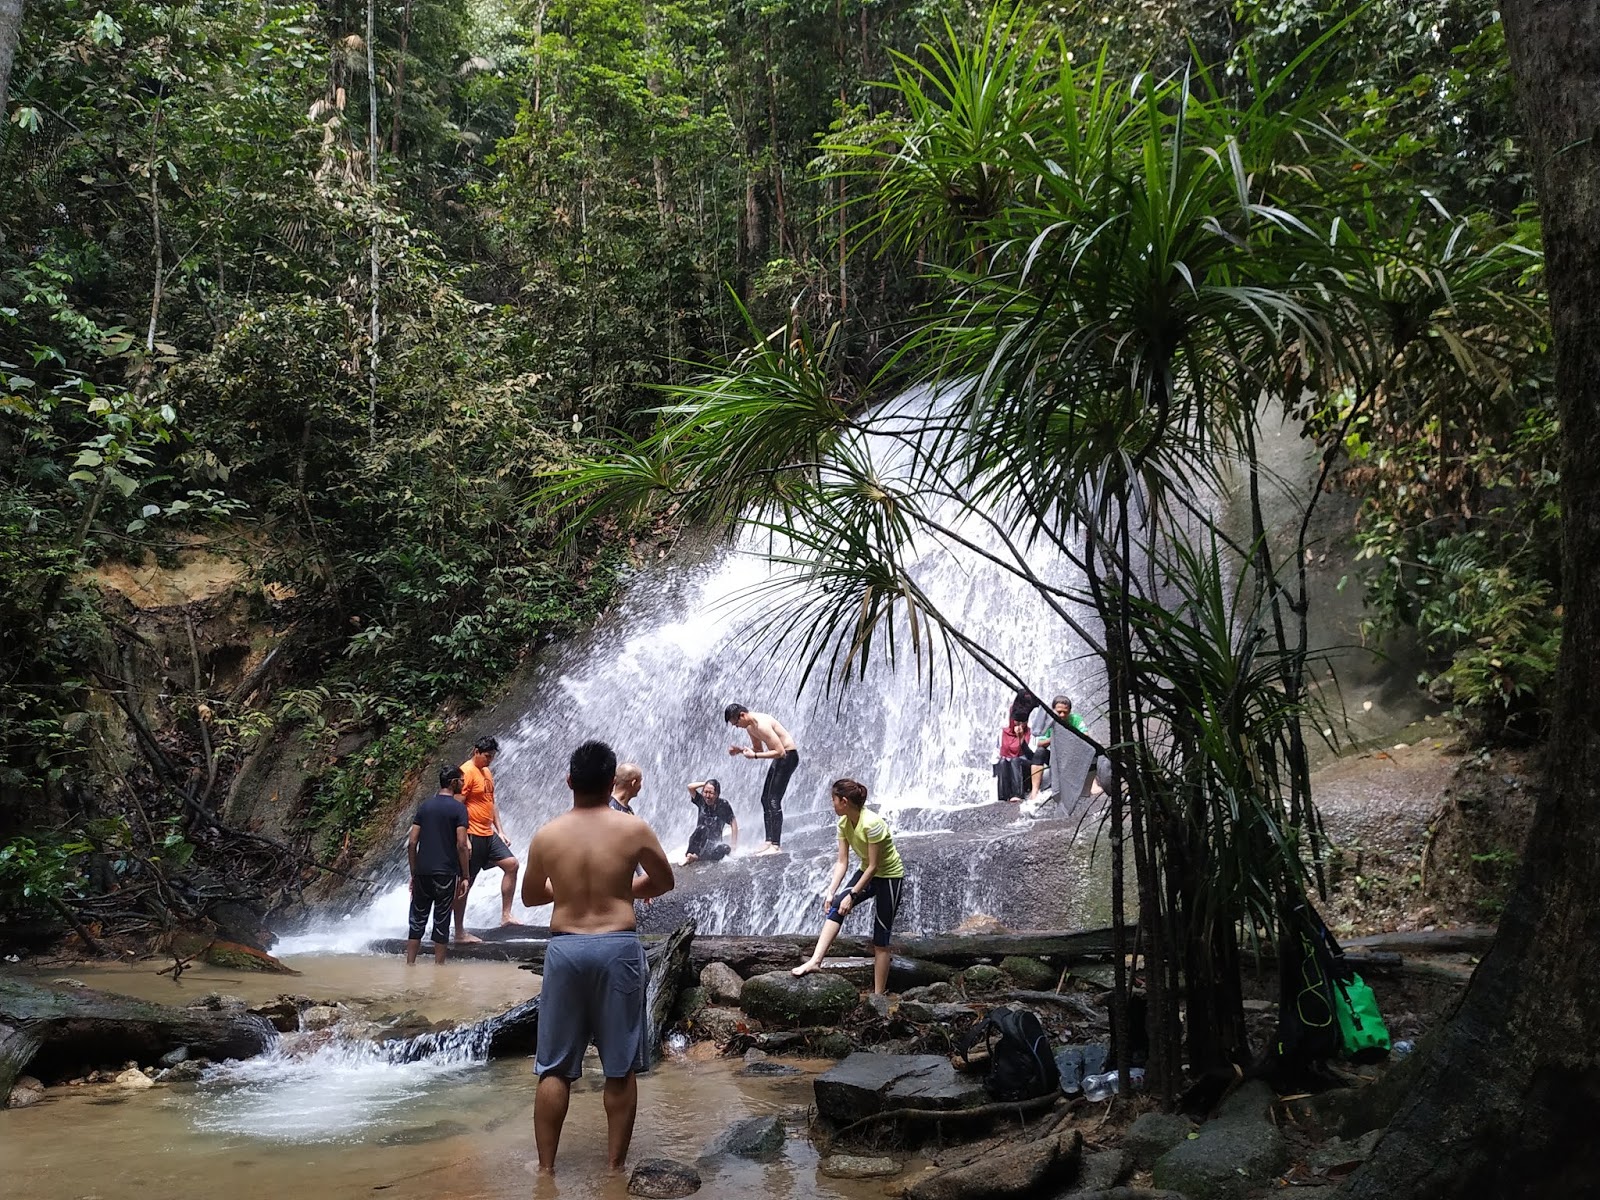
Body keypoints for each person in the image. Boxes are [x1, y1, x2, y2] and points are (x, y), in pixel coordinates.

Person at [521, 740, 675, 1176]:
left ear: (569, 781)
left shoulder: (547, 834)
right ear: (612, 783)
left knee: (553, 1067)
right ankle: (614, 1168)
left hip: (565, 949)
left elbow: (531, 896)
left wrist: (568, 891)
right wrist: (622, 891)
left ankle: (546, 1171)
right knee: (619, 1065)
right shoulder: (634, 829)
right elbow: (664, 881)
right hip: (617, 947)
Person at [790, 778, 906, 995]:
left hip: (889, 876)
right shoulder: (843, 823)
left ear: (843, 801)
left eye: (833, 800)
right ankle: (815, 961)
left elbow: (874, 866)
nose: (831, 804)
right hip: (867, 872)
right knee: (835, 905)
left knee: (880, 939)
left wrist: (852, 895)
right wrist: (831, 891)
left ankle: (878, 995)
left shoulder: (872, 824)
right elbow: (842, 861)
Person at [454, 735, 522, 944]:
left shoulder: (486, 772)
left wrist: (500, 830)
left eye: (492, 757)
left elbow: (491, 803)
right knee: (466, 882)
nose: (490, 760)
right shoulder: (466, 772)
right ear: (476, 751)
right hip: (472, 834)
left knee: (512, 864)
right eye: (487, 756)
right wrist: (463, 838)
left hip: (488, 833)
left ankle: (506, 916)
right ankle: (458, 932)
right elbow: (457, 805)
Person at [406, 765, 471, 965]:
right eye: (461, 780)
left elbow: (412, 842)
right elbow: (462, 844)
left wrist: (414, 872)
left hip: (423, 872)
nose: (463, 784)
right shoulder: (459, 809)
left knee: (417, 918)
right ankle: (439, 969)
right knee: (441, 920)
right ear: (453, 783)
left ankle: (410, 965)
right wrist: (465, 875)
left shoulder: (425, 806)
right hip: (446, 872)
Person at [724, 703, 798, 854]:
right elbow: (758, 749)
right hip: (780, 758)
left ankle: (776, 845)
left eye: (736, 723)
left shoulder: (762, 724)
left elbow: (781, 752)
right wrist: (739, 751)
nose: (737, 727)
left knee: (774, 800)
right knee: (765, 799)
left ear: (742, 715)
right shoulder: (750, 727)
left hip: (789, 757)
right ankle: (769, 840)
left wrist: (755, 756)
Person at [684, 778, 738, 863]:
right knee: (702, 828)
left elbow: (733, 823)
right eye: (705, 792)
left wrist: (734, 845)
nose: (707, 796)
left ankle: (698, 858)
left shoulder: (723, 805)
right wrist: (705, 784)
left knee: (726, 848)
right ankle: (691, 855)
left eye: (711, 793)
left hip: (713, 846)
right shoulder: (701, 801)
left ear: (717, 794)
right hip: (698, 843)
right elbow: (690, 787)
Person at [996, 689, 1036, 803]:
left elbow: (1032, 756)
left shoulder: (1031, 732)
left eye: (1022, 722)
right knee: (1003, 761)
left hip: (1027, 769)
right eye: (1016, 721)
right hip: (1010, 768)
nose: (1019, 724)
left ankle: (1018, 794)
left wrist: (1021, 738)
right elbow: (996, 754)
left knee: (1015, 760)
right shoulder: (1003, 733)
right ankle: (1003, 796)